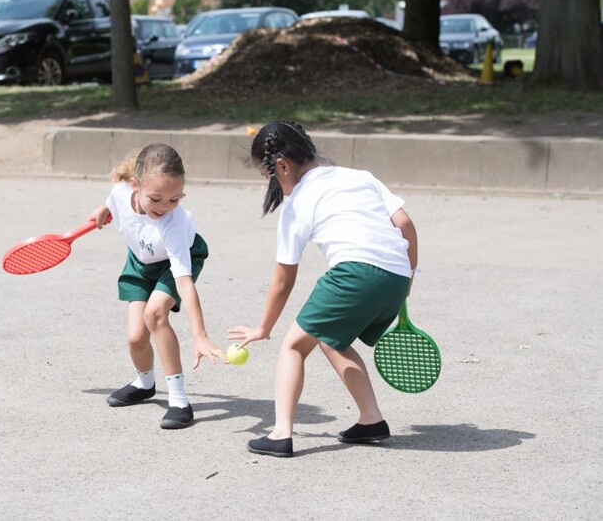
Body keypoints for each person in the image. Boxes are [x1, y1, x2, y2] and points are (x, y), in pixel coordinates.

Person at [228, 121, 418, 458]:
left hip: (355, 273)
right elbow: (403, 224)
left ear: (282, 166)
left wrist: (264, 328)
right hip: (396, 275)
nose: (271, 184)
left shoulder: (297, 205)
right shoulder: (360, 176)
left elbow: (283, 279)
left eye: (268, 176)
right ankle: (371, 420)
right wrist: (408, 280)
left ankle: (280, 434)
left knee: (293, 347)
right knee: (332, 338)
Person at [89, 143, 228, 429]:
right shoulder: (120, 193)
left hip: (175, 262)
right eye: (156, 199)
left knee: (155, 315)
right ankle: (144, 383)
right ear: (135, 185)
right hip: (141, 261)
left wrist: (199, 335)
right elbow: (113, 200)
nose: (165, 207)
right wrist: (103, 209)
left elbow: (184, 283)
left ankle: (179, 400)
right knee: (135, 338)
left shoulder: (173, 225)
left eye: (175, 199)